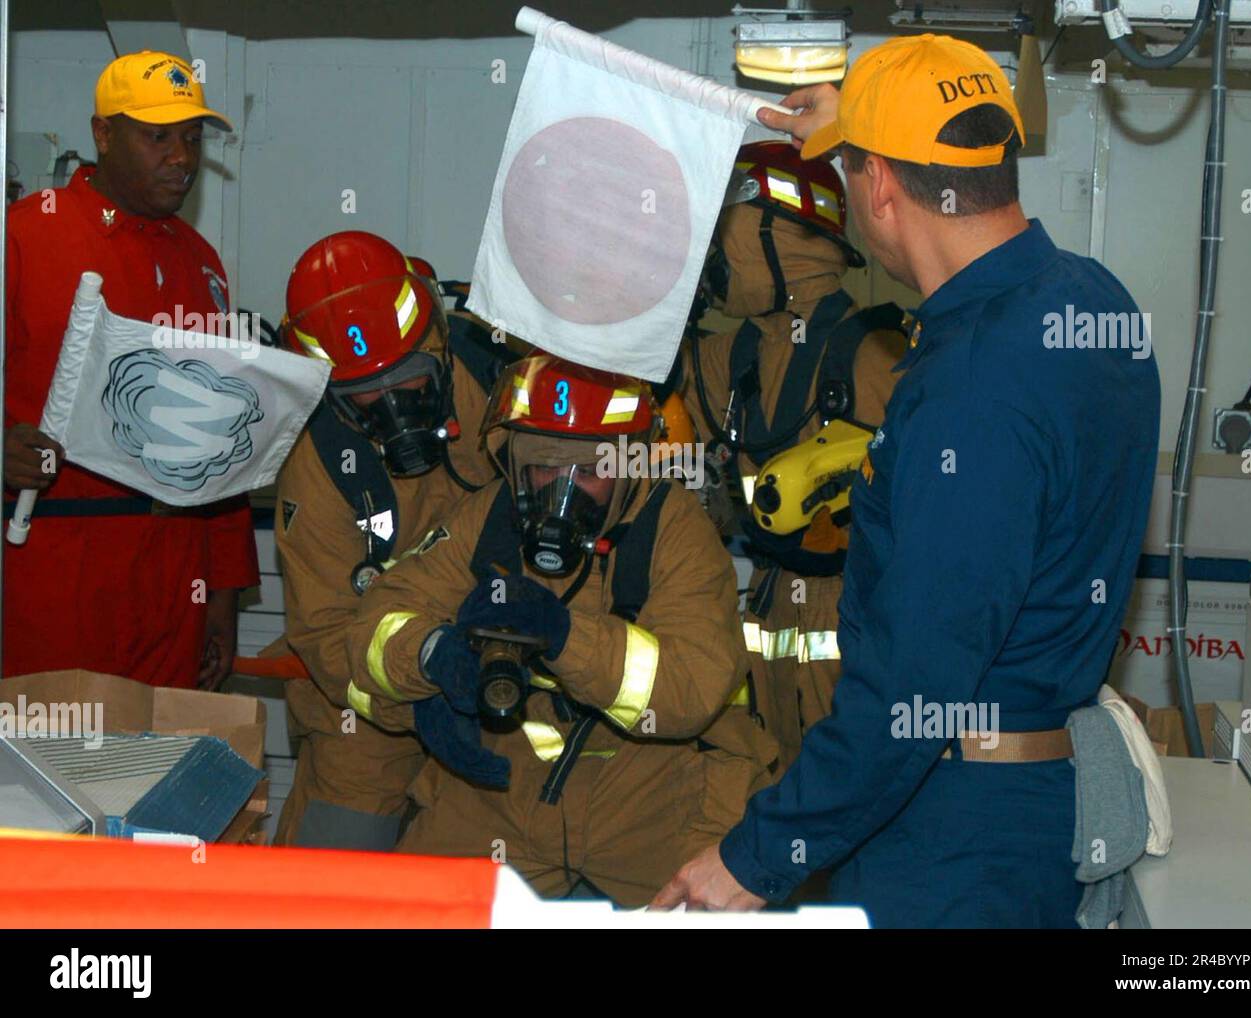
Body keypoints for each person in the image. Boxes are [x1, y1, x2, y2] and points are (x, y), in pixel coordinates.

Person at [655, 33, 1160, 927]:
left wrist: (755, 860)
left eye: (851, 176)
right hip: (1036, 799)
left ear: (878, 186)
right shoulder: (1094, 304)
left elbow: (913, 695)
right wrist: (854, 122)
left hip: (948, 836)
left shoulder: (969, 385)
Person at [343, 352, 777, 905]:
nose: (560, 489)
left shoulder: (675, 530)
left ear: (628, 465)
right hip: (505, 786)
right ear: (515, 463)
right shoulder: (488, 520)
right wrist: (432, 655)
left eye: (589, 472)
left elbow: (688, 689)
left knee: (711, 907)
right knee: (408, 914)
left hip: (658, 792)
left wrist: (566, 637)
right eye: (543, 467)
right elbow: (374, 626)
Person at [3, 51, 257, 688]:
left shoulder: (203, 264)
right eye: (158, 137)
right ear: (103, 134)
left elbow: (220, 434)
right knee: (47, 773)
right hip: (52, 564)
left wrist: (222, 592)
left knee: (158, 773)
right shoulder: (26, 238)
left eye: (193, 139)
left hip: (174, 576)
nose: (182, 157)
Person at [272, 230, 510, 849]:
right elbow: (326, 636)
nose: (394, 410)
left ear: (437, 343)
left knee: (477, 883)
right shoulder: (317, 459)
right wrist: (423, 708)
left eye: (409, 383)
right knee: (324, 891)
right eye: (366, 398)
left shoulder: (502, 391)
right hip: (366, 711)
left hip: (504, 691)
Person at [682, 140, 908, 773]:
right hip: (770, 613)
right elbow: (650, 414)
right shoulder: (735, 356)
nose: (713, 259)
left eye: (721, 237)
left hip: (858, 626)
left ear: (775, 236)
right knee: (777, 789)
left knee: (849, 801)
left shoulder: (879, 355)